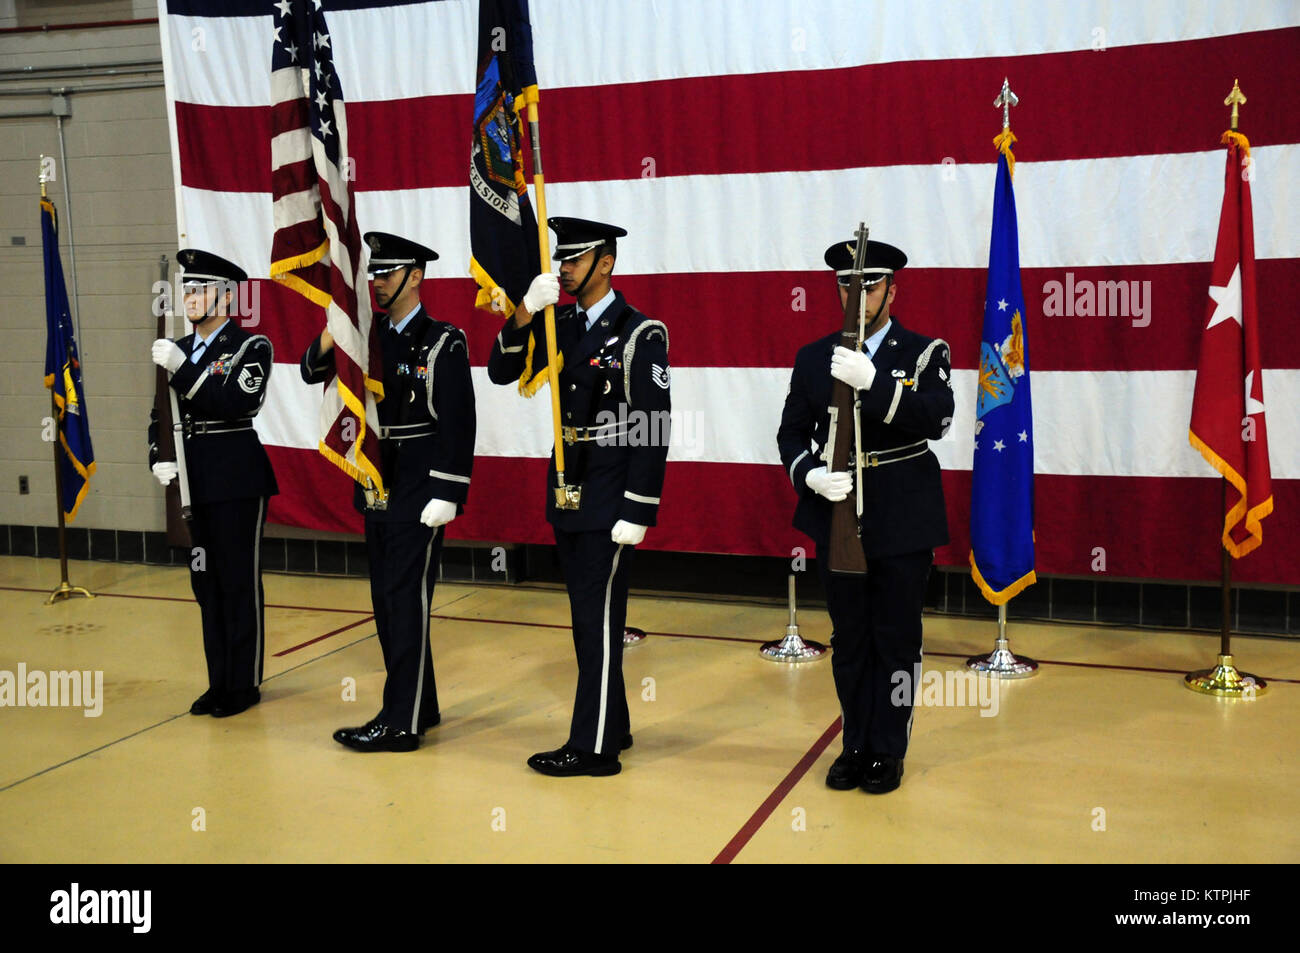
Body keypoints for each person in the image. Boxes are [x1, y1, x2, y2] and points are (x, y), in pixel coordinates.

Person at [487, 217, 670, 777]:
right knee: (588, 619)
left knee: (598, 622)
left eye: (575, 258)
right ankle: (612, 724)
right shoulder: (557, 322)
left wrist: (639, 508)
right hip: (568, 488)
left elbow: (651, 425)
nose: (563, 267)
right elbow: (500, 370)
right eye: (561, 258)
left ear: (605, 263)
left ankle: (592, 747)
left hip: (612, 493)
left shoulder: (641, 334)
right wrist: (523, 311)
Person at [777, 238, 953, 793]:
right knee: (850, 637)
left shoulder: (924, 353)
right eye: (846, 286)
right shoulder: (814, 356)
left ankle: (888, 748)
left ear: (891, 290)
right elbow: (789, 433)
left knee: (896, 637)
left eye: (869, 287)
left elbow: (937, 419)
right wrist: (809, 473)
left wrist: (875, 384)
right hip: (837, 514)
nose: (857, 297)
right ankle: (854, 743)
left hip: (901, 513)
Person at [300, 232, 476, 752]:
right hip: (376, 481)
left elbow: (459, 423)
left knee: (404, 601)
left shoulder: (443, 341)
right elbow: (312, 369)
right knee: (388, 600)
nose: (376, 282)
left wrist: (448, 491)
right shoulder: (363, 335)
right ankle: (422, 703)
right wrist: (337, 328)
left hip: (419, 489)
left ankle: (400, 720)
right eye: (372, 274)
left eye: (387, 273)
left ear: (415, 276)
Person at [149, 248, 278, 718]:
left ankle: (243, 685)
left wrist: (182, 369)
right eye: (185, 289)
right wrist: (159, 458)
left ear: (226, 296)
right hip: (193, 481)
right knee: (205, 583)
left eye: (199, 288)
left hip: (237, 478)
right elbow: (159, 415)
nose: (189, 297)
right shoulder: (178, 348)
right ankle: (217, 681)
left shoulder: (250, 347)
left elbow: (232, 403)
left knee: (238, 581)